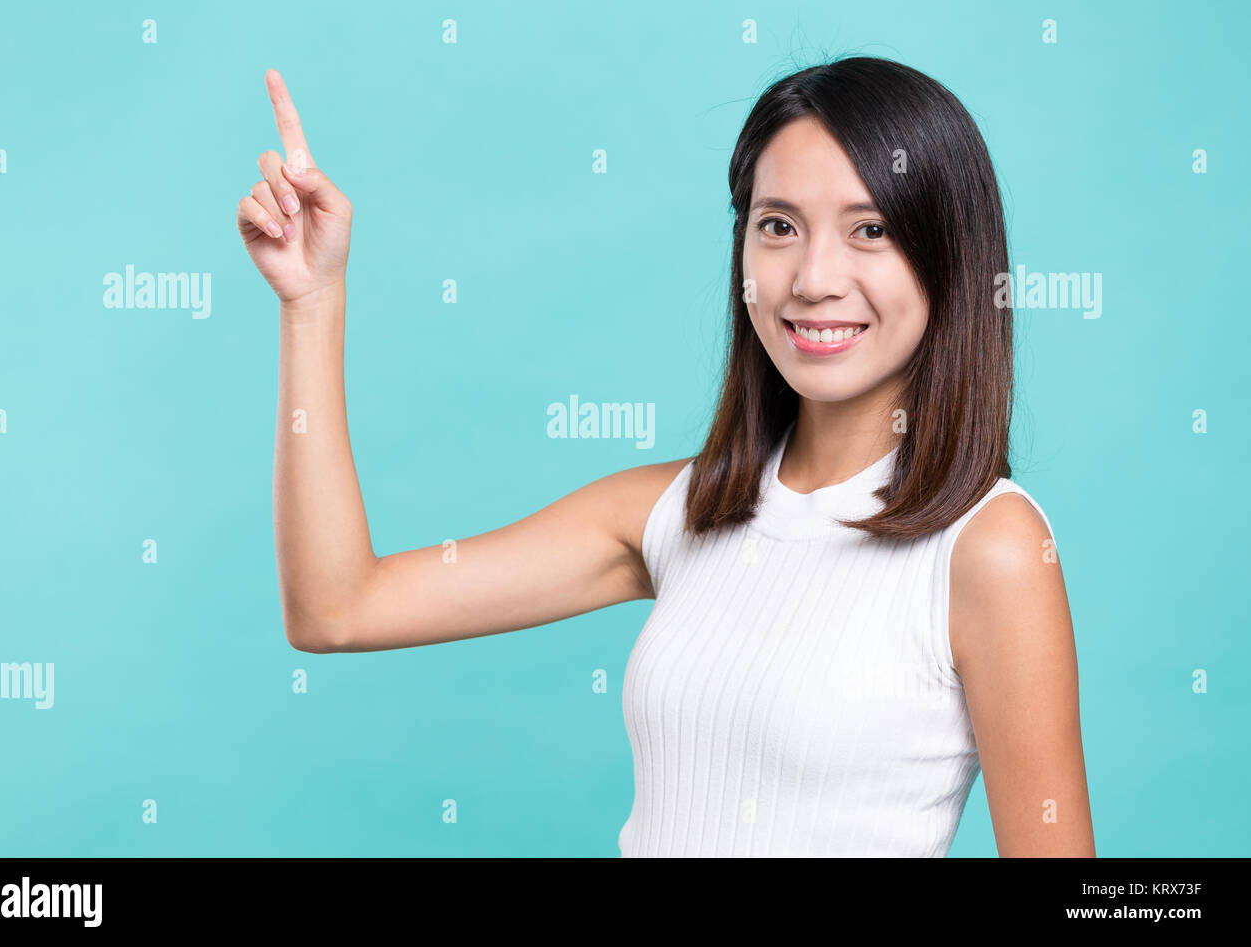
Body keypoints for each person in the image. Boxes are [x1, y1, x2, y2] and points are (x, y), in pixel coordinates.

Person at [236, 58, 1094, 858]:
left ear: (949, 256)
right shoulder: (675, 512)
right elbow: (336, 608)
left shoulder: (989, 547)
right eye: (778, 226)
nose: (813, 277)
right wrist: (312, 303)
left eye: (869, 229)